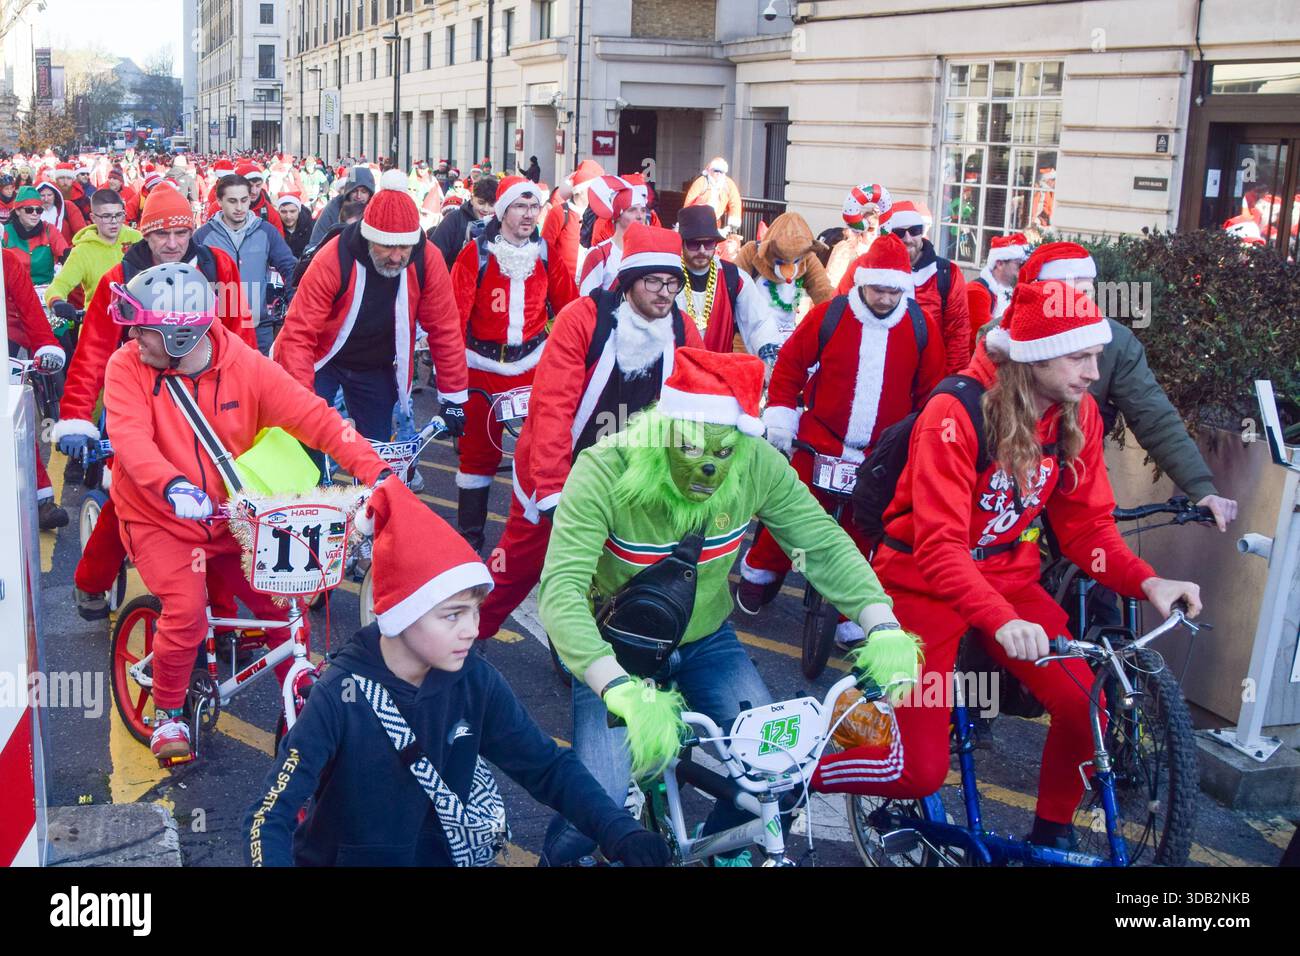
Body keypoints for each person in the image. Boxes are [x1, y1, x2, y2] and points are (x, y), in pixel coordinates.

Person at [815, 281, 1201, 849]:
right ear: (1033, 355)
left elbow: (1087, 530)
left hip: (1007, 576)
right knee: (917, 773)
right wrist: (1000, 620)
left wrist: (1150, 581)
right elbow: (940, 547)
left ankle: (1052, 836)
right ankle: (797, 774)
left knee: (1085, 704)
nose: (1094, 371)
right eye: (1079, 355)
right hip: (924, 582)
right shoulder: (956, 411)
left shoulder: (1079, 415)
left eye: (1096, 355)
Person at [537, 347, 919, 865]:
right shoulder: (606, 467)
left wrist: (882, 622)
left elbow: (818, 545)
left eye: (724, 452)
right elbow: (560, 592)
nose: (708, 467)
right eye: (691, 448)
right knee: (594, 806)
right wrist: (616, 688)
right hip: (615, 648)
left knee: (780, 776)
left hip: (705, 640)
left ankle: (717, 849)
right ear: (664, 430)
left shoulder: (758, 463)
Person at [243, 479, 670, 867]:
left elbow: (547, 767)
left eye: (475, 612)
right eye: (452, 615)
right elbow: (269, 814)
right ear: (399, 614)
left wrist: (620, 830)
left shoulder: (474, 681)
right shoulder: (340, 694)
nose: (472, 629)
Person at [103, 262, 392, 762]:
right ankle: (169, 712)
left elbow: (317, 419)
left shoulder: (246, 365)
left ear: (177, 336)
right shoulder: (126, 365)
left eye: (143, 328)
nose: (132, 336)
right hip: (160, 518)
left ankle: (305, 710)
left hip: (233, 515)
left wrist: (377, 473)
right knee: (187, 611)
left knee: (283, 604)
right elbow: (130, 441)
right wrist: (171, 485)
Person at [474, 225, 702, 641]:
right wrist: (552, 492)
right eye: (653, 281)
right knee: (514, 569)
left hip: (634, 478)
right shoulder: (584, 319)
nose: (664, 293)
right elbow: (551, 409)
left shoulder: (684, 331)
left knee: (638, 574)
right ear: (630, 281)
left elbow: (697, 408)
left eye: (673, 282)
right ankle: (469, 638)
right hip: (562, 469)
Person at [54, 187, 257, 621]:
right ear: (144, 235)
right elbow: (92, 351)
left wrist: (255, 404)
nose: (172, 243)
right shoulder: (117, 279)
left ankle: (218, 613)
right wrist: (74, 416)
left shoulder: (219, 267)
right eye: (161, 233)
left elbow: (242, 337)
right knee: (129, 500)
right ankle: (91, 580)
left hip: (210, 404)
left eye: (181, 232)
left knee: (219, 506)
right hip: (142, 403)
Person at [738, 234, 945, 644]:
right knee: (790, 513)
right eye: (878, 288)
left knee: (864, 532)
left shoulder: (921, 328)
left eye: (893, 290)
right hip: (821, 440)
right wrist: (781, 417)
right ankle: (763, 569)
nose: (885, 298)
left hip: (878, 454)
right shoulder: (830, 315)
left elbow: (932, 395)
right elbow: (791, 366)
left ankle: (855, 608)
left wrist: (921, 444)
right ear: (864, 282)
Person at [1008, 242, 1238, 532]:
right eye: (1069, 295)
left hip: (1075, 480)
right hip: (1005, 482)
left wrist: (1201, 488)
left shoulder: (1115, 342)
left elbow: (1153, 416)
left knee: (1089, 559)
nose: (1082, 305)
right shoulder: (1004, 341)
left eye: (1087, 294)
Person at [274, 172, 469, 472]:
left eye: (404, 247)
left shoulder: (427, 258)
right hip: (323, 359)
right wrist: (303, 400)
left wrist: (454, 397)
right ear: (368, 237)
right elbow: (298, 334)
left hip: (375, 365)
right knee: (305, 447)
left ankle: (368, 514)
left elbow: (444, 328)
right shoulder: (333, 257)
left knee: (375, 455)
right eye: (386, 246)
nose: (396, 257)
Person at [448, 176, 578, 552]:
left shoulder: (546, 253)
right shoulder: (475, 254)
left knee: (545, 452)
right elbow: (454, 320)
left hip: (533, 367)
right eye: (520, 207)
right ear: (503, 210)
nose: (529, 215)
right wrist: (453, 384)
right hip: (482, 367)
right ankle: (470, 542)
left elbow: (570, 309)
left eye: (534, 207)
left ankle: (539, 541)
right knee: (477, 458)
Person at [839, 201, 971, 375]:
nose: (908, 239)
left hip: (926, 378)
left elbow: (958, 335)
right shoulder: (862, 268)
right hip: (871, 370)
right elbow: (839, 316)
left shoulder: (947, 274)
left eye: (915, 230)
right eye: (900, 232)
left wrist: (949, 386)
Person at [194, 174, 299, 353]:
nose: (239, 207)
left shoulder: (267, 232)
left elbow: (290, 269)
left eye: (244, 200)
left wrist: (295, 305)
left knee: (259, 379)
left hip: (259, 327)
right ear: (219, 201)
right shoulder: (203, 236)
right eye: (232, 201)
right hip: (217, 329)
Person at [3, 247, 68, 529]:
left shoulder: (7, 261)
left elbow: (30, 309)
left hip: (6, 348)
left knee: (17, 427)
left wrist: (46, 345)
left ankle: (39, 500)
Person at [674, 204, 780, 363]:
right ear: (682, 243)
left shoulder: (734, 277)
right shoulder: (669, 276)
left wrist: (768, 356)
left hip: (720, 374)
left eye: (709, 243)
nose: (702, 250)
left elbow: (760, 322)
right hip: (676, 376)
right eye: (694, 244)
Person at [732, 210, 834, 343]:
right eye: (781, 261)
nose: (788, 268)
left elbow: (823, 291)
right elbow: (731, 287)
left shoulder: (807, 258)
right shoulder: (752, 252)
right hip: (747, 335)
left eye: (795, 261)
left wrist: (835, 321)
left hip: (785, 338)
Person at [577, 175, 646, 296]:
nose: (640, 216)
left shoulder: (649, 254)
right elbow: (586, 303)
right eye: (632, 210)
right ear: (617, 216)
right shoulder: (598, 255)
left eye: (643, 210)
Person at [541, 159, 603, 288]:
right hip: (563, 285)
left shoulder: (601, 215)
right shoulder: (560, 213)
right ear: (578, 191)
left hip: (591, 284)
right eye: (592, 188)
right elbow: (545, 249)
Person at [966, 233, 1028, 352]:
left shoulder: (1013, 291)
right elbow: (983, 340)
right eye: (1018, 264)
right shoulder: (976, 292)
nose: (1022, 269)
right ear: (999, 264)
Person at [824, 182, 888, 290]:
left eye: (878, 230)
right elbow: (831, 282)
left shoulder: (881, 253)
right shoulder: (846, 249)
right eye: (871, 228)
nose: (874, 233)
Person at [429, 174, 497, 271]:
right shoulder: (454, 219)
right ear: (472, 199)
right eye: (481, 203)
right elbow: (434, 255)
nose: (486, 209)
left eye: (491, 205)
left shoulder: (499, 224)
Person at [3, 186, 69, 285]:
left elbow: (66, 255)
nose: (35, 214)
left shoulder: (49, 230)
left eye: (39, 210)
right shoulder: (4, 232)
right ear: (17, 211)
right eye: (29, 210)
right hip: (14, 293)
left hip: (44, 291)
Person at [309, 165, 375, 246]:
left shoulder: (375, 209)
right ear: (348, 191)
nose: (358, 196)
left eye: (363, 191)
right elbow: (316, 240)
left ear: (370, 194)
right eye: (354, 191)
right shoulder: (334, 206)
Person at [683, 157, 742, 236]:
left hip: (715, 222)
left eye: (721, 171)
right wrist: (685, 220)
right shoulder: (701, 181)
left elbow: (735, 202)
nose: (718, 173)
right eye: (716, 170)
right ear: (710, 170)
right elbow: (689, 200)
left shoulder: (728, 184)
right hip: (697, 221)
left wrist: (733, 224)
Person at [275, 191, 314, 258]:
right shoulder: (274, 229)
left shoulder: (311, 227)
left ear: (299, 211)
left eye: (292, 211)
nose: (288, 216)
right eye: (284, 212)